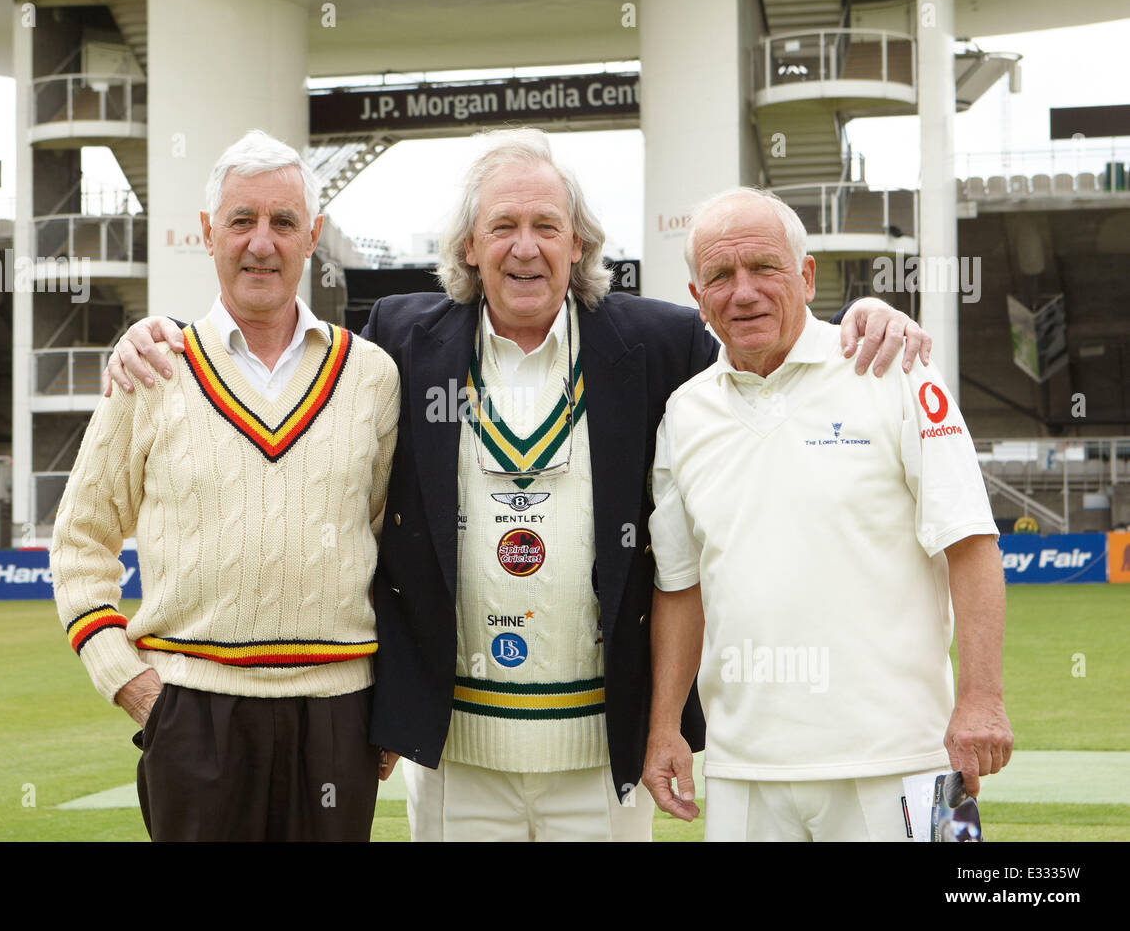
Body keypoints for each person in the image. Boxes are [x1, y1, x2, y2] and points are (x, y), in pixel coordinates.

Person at [104, 128, 932, 842]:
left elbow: (764, 339)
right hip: (457, 751)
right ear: (469, 245)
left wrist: (858, 322)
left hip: (602, 752)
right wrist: (156, 334)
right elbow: (278, 346)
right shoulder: (399, 339)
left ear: (580, 245)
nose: (525, 247)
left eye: (546, 227)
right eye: (503, 226)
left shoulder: (661, 342)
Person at [50, 129, 400, 841]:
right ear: (208, 233)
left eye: (283, 222)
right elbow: (79, 542)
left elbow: (397, 554)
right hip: (192, 714)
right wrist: (131, 683)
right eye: (242, 220)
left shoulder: (371, 375)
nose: (261, 243)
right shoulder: (151, 370)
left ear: (313, 237)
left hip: (338, 716)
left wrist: (393, 706)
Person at [642, 186, 1012, 841]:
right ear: (698, 297)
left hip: (909, 760)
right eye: (721, 276)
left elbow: (970, 540)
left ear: (807, 276)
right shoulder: (684, 412)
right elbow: (680, 585)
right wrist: (665, 726)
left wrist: (982, 699)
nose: (744, 292)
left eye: (764, 267)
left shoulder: (897, 367)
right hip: (742, 772)